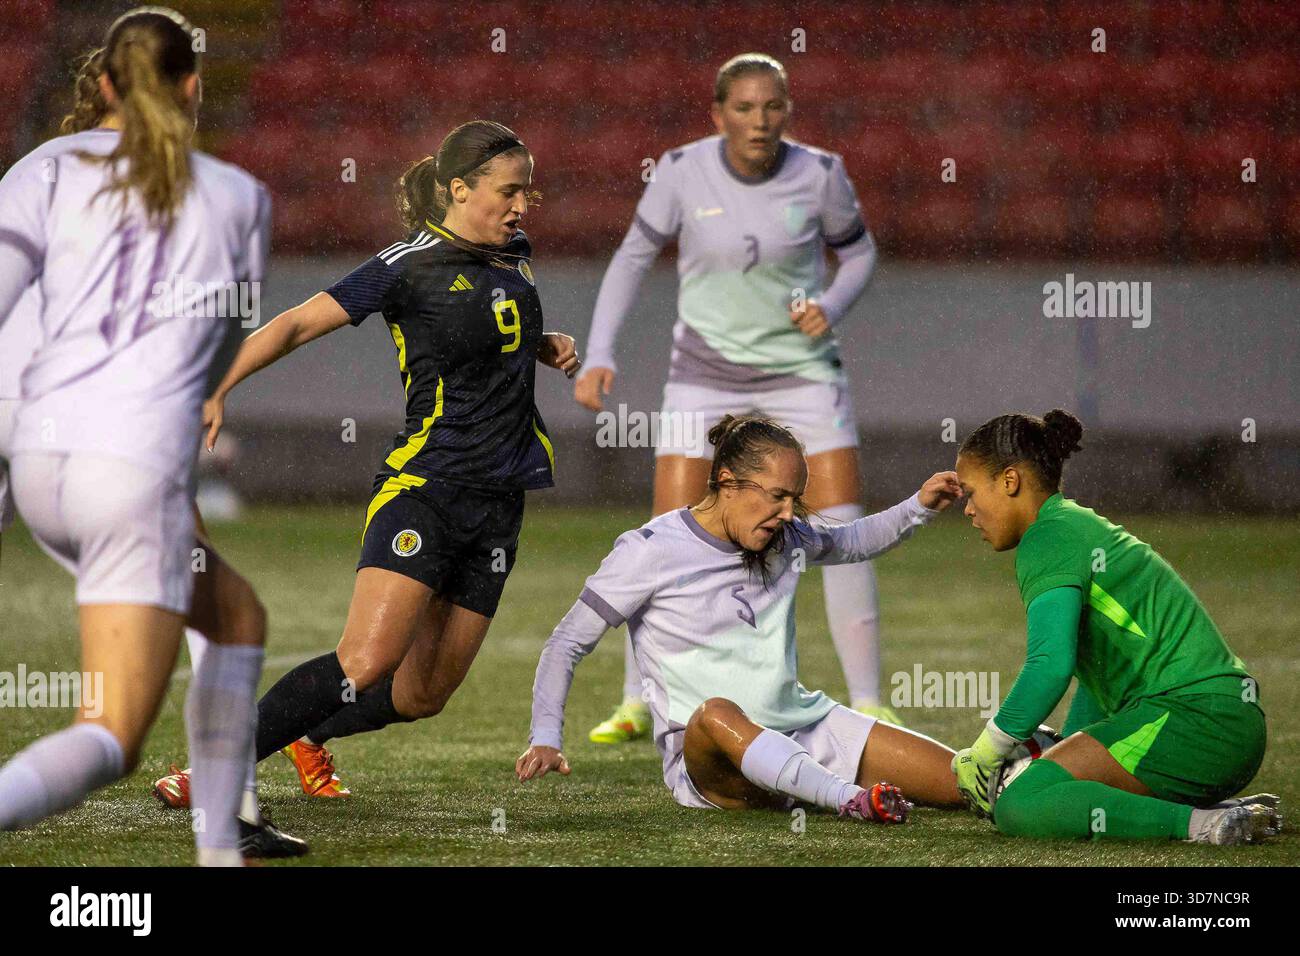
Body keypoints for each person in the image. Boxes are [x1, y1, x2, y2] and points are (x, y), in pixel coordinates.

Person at [154, 120, 579, 805]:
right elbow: (294, 322)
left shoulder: (513, 254)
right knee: (366, 660)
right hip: (428, 486)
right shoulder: (404, 264)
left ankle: (309, 736)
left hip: (501, 503)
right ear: (460, 188)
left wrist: (541, 342)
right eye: (510, 191)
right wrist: (219, 383)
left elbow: (491, 323)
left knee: (420, 695)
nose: (524, 206)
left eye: (528, 191)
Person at [0, 8, 275, 866]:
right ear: (194, 86)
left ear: (105, 82)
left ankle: (220, 846)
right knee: (112, 736)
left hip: (35, 455)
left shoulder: (42, 172)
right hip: (126, 468)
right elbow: (224, 340)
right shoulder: (238, 195)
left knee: (234, 617)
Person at [576, 53, 890, 745]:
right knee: (668, 531)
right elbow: (631, 258)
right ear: (718, 115)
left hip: (803, 372)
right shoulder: (681, 171)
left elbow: (861, 254)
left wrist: (831, 304)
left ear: (788, 111)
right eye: (744, 108)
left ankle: (869, 699)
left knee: (838, 520)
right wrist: (600, 352)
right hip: (703, 373)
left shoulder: (822, 173)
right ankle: (638, 700)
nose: (759, 120)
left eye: (772, 106)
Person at [517, 415, 966, 820]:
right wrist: (546, 737)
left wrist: (918, 506)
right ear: (728, 482)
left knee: (968, 782)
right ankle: (845, 798)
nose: (787, 513)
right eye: (777, 496)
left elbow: (851, 541)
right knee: (714, 713)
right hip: (711, 757)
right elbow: (567, 642)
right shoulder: (649, 550)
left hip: (805, 727)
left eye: (794, 498)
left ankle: (1030, 757)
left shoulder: (783, 538)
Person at [950, 409, 1280, 845]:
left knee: (1019, 805)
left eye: (971, 494)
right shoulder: (1072, 524)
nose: (968, 510)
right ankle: (1227, 815)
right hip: (1223, 722)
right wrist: (1072, 746)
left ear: (1010, 481)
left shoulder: (1047, 538)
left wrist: (988, 750)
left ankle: (1201, 826)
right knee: (1063, 787)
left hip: (1196, 722)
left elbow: (1050, 665)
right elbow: (1098, 672)